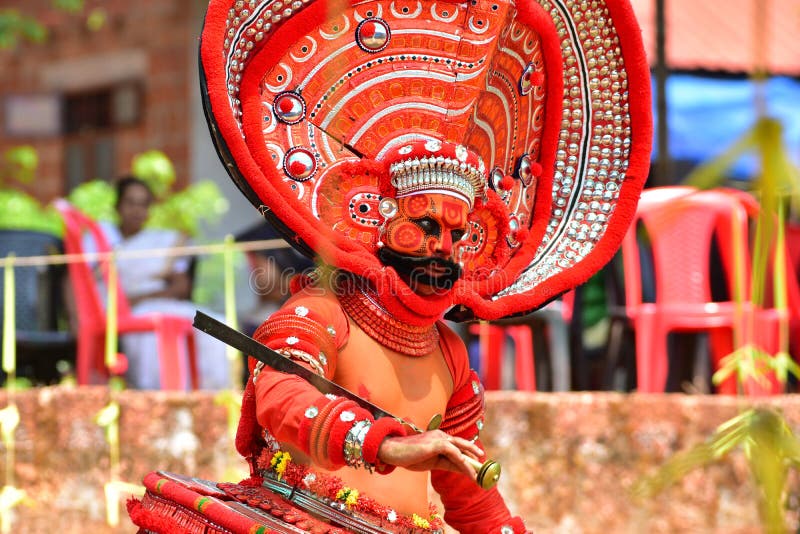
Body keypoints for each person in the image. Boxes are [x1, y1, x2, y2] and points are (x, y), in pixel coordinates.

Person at [128, 0, 652, 531]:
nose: (442, 250)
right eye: (424, 228)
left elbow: (466, 490)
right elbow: (281, 401)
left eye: (458, 234)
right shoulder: (321, 312)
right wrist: (387, 446)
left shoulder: (448, 355)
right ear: (373, 220)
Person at [91, 176, 230, 390]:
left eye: (143, 204)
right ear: (117, 206)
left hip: (155, 304)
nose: (137, 210)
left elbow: (181, 286)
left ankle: (208, 397)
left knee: (214, 324)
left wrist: (141, 298)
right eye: (131, 203)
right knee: (154, 328)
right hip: (114, 310)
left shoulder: (160, 242)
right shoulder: (99, 238)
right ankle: (155, 393)